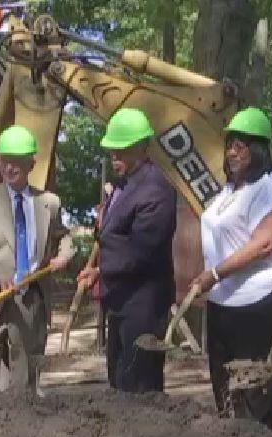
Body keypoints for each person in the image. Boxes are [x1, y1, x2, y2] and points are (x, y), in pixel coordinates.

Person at [192, 107, 272, 429]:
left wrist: (215, 274)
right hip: (223, 301)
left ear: (258, 149)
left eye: (240, 146)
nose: (231, 153)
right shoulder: (230, 190)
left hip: (259, 300)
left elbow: (265, 242)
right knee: (225, 390)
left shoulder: (269, 185)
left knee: (255, 391)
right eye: (229, 146)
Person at [0, 125, 72, 393]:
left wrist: (65, 253)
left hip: (29, 304)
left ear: (31, 163)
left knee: (25, 390)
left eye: (16, 161)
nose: (9, 167)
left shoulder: (49, 203)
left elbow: (63, 237)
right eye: (4, 160)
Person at [77, 108, 177, 393]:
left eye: (122, 149)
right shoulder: (126, 184)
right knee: (119, 381)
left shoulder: (155, 190)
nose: (114, 155)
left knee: (139, 386)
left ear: (143, 147)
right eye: (112, 149)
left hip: (143, 304)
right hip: (121, 300)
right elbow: (111, 236)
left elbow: (142, 251)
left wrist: (101, 270)